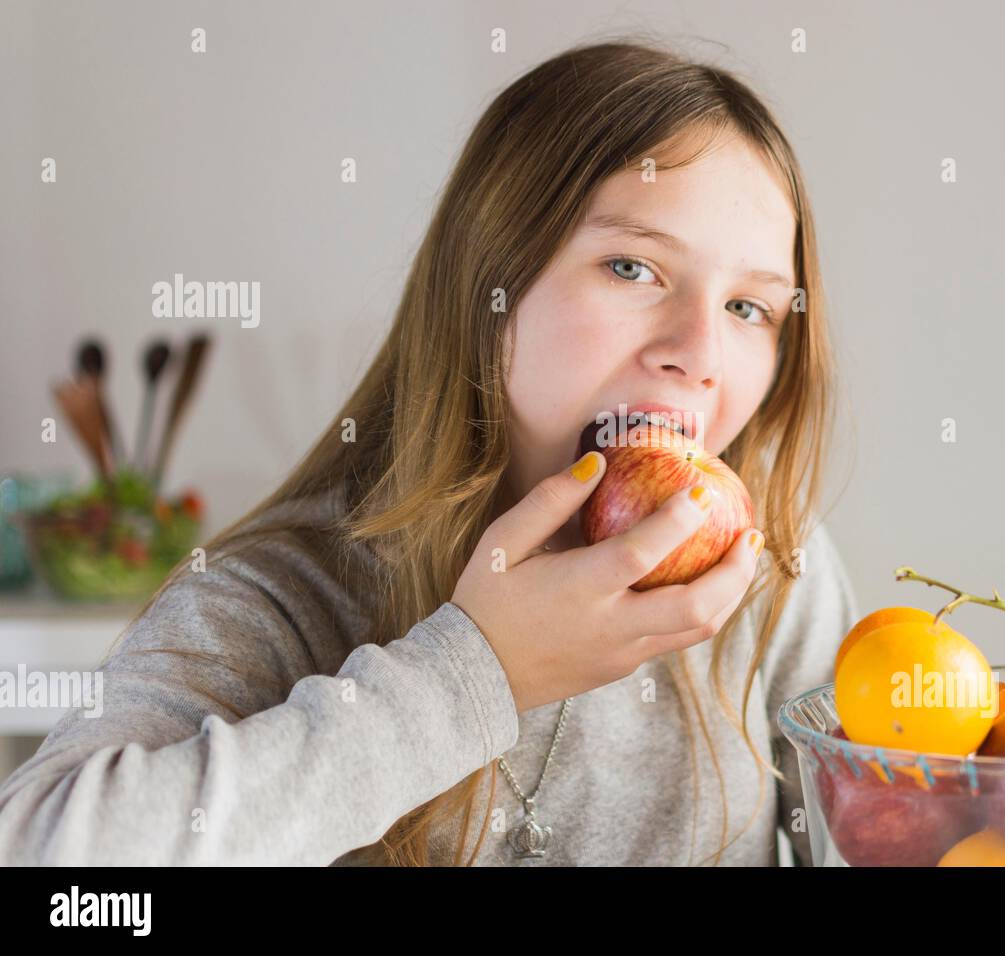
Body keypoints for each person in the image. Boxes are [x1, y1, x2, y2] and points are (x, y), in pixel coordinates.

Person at [0, 37, 858, 866]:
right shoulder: (288, 595)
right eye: (634, 268)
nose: (701, 354)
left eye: (751, 309)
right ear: (489, 281)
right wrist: (475, 673)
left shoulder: (773, 573)